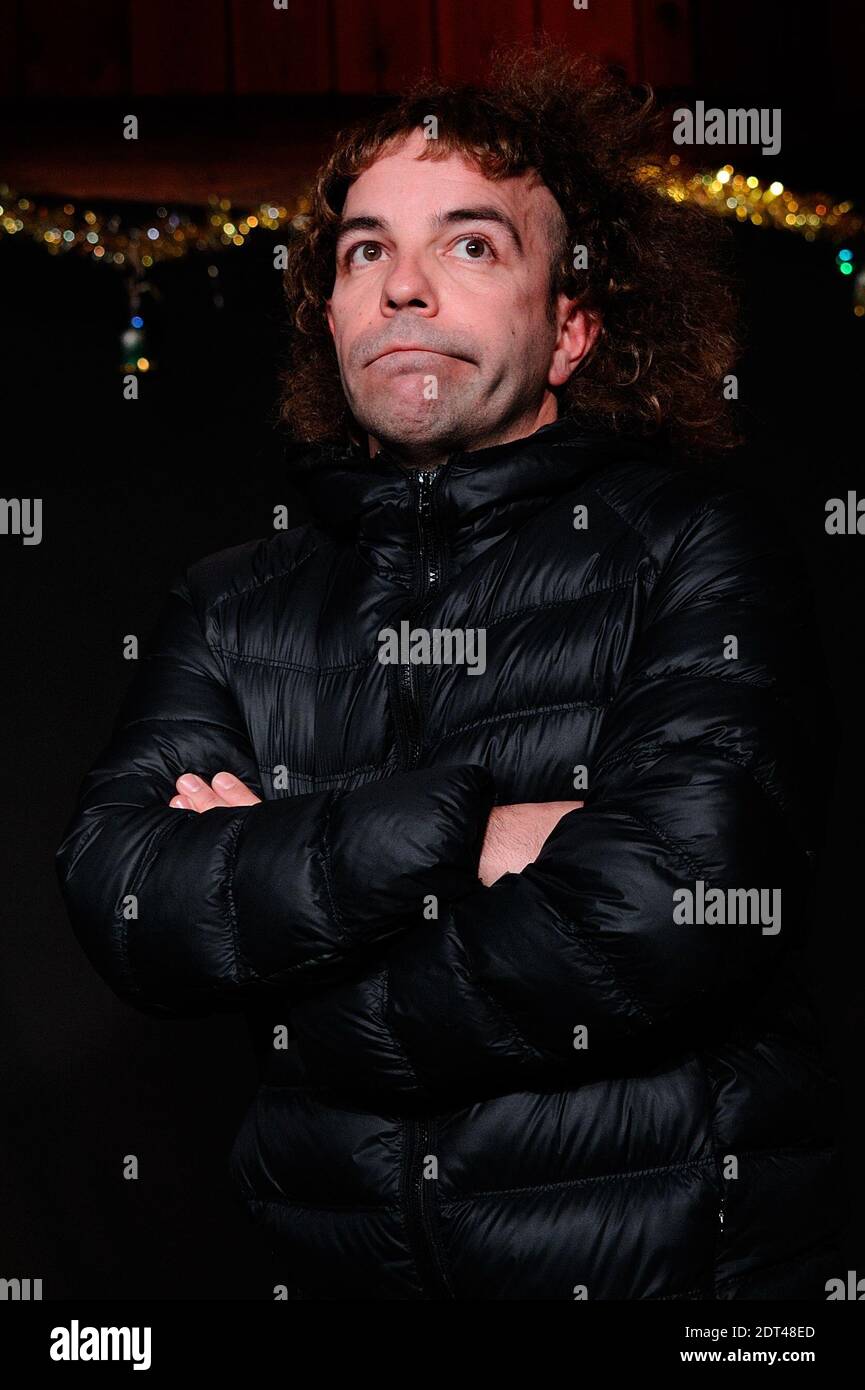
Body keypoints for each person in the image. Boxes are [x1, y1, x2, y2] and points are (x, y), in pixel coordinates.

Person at [55, 46, 843, 1299]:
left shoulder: (692, 546)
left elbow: (686, 894)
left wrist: (291, 937)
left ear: (572, 326)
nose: (403, 288)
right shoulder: (228, 599)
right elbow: (129, 896)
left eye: (470, 246)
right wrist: (479, 832)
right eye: (366, 251)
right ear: (328, 312)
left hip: (677, 1280)